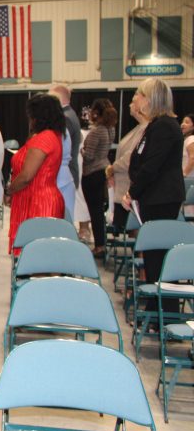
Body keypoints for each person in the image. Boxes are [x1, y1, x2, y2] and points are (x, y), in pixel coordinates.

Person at [124, 78, 185, 291]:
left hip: (161, 197)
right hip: (153, 197)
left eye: (139, 94)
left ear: (150, 99)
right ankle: (155, 306)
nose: (135, 99)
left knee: (159, 255)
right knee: (153, 256)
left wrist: (131, 192)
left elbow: (151, 166)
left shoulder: (165, 127)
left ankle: (162, 308)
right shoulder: (155, 126)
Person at [6, 95, 65, 252]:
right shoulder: (52, 136)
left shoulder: (43, 138)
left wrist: (9, 190)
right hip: (38, 198)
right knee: (40, 252)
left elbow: (26, 176)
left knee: (39, 253)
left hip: (39, 202)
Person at [107, 96, 149, 234]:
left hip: (130, 187)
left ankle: (140, 255)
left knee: (136, 230)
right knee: (131, 231)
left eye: (133, 101)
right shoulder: (138, 128)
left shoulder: (146, 129)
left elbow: (131, 157)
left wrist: (112, 168)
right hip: (123, 185)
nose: (130, 105)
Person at [81, 99, 116, 256]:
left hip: (92, 172)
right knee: (99, 211)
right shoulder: (110, 129)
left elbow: (89, 156)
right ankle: (101, 243)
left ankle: (99, 246)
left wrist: (82, 150)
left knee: (94, 211)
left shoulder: (96, 131)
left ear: (95, 113)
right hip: (103, 169)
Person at [50, 84, 82, 220]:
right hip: (66, 173)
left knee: (63, 218)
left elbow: (60, 149)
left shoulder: (65, 118)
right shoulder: (69, 114)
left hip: (64, 175)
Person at [181, 113, 194, 179]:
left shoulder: (191, 139)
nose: (183, 124)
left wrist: (184, 173)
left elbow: (192, 158)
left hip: (189, 177)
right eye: (182, 122)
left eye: (187, 122)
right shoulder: (186, 140)